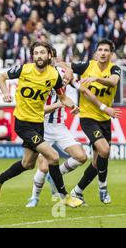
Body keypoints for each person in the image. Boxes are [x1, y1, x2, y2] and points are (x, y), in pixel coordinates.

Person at [0, 42, 83, 208]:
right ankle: (64, 196)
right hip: (23, 123)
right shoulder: (24, 69)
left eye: (42, 52)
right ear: (33, 56)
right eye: (36, 53)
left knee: (28, 164)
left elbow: (63, 98)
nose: (39, 56)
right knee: (53, 156)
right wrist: (5, 93)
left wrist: (72, 105)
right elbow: (0, 77)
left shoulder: (54, 75)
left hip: (38, 123)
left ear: (49, 55)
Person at [26, 48, 93, 207]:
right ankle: (34, 197)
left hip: (59, 126)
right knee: (42, 166)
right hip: (42, 125)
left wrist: (81, 97)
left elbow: (78, 86)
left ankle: (55, 176)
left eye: (50, 56)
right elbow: (38, 105)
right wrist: (61, 103)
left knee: (81, 156)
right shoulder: (35, 76)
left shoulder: (62, 72)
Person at [58, 39, 121, 204]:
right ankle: (103, 186)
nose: (103, 53)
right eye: (100, 49)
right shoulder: (86, 66)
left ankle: (77, 191)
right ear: (95, 53)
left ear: (111, 54)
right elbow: (62, 63)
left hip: (105, 118)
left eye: (106, 50)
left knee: (96, 161)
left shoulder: (114, 68)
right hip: (88, 117)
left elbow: (113, 81)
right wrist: (69, 71)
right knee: (105, 150)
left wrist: (96, 79)